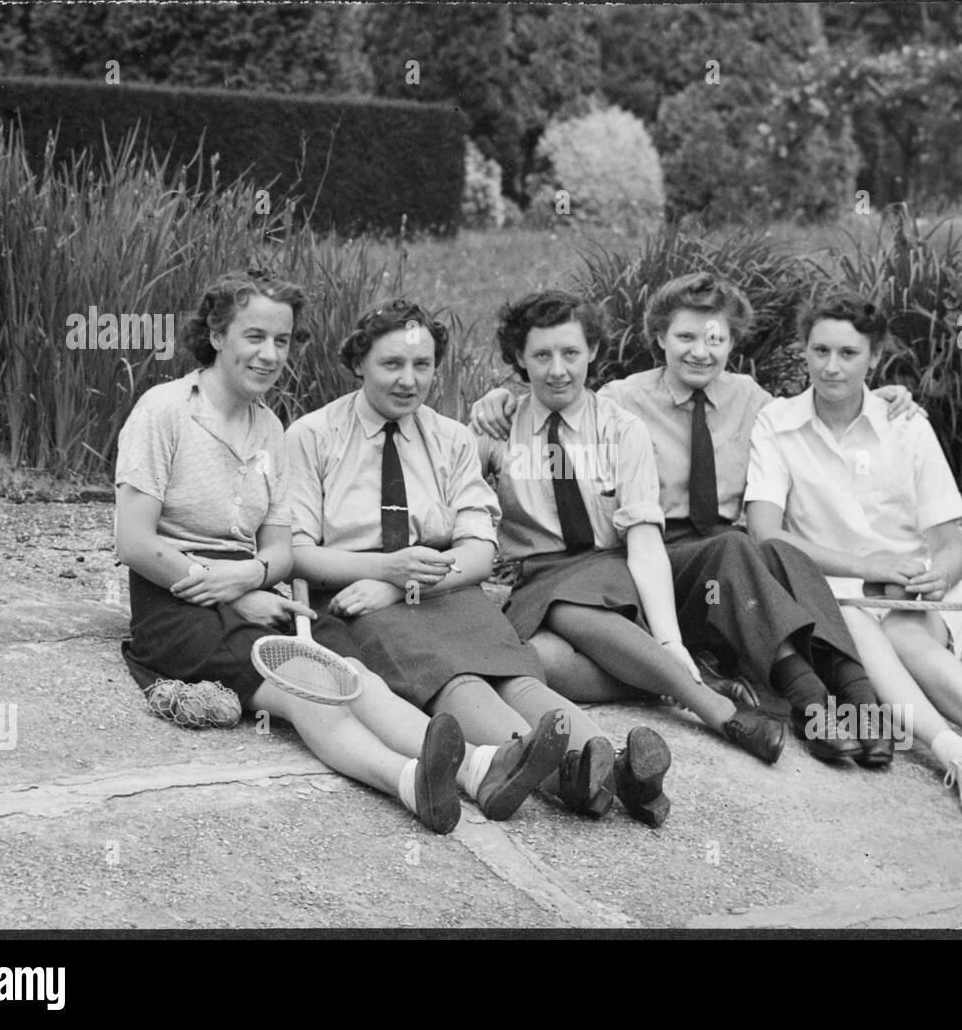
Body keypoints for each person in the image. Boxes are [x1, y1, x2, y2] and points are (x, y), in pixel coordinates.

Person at [115, 270, 560, 836]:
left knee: (353, 672)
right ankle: (408, 779)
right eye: (254, 337)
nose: (270, 354)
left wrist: (250, 579)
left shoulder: (269, 428)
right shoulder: (165, 411)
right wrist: (222, 583)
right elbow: (134, 541)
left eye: (282, 340)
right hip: (174, 598)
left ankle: (478, 771)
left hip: (249, 588)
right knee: (309, 687)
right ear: (217, 334)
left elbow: (280, 549)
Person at [470, 274, 920, 765]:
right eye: (685, 337)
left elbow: (815, 414)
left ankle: (847, 700)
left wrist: (881, 398)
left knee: (774, 550)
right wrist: (493, 401)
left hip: (684, 566)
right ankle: (719, 686)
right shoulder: (620, 402)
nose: (700, 352)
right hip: (630, 565)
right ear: (660, 338)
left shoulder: (753, 402)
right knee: (535, 655)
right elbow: (458, 481)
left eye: (715, 338)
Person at [284, 298, 671, 826]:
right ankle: (573, 779)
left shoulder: (450, 438)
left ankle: (618, 768)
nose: (408, 381)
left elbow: (479, 549)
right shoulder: (313, 436)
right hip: (357, 590)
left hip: (443, 583)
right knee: (455, 678)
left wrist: (412, 581)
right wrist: (384, 573)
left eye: (422, 366)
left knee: (515, 675)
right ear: (358, 364)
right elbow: (297, 553)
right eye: (391, 365)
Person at [743, 293, 962, 818]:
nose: (831, 366)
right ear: (804, 351)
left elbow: (949, 545)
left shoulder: (907, 425)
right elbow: (766, 534)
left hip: (908, 592)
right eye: (819, 350)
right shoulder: (776, 425)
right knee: (856, 619)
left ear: (874, 356)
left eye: (848, 353)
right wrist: (867, 568)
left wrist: (939, 577)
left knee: (901, 630)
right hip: (831, 590)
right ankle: (957, 755)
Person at [478, 289, 790, 785]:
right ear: (519, 357)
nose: (558, 369)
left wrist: (670, 639)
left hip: (607, 575)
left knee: (569, 604)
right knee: (530, 660)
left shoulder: (623, 429)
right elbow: (448, 496)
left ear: (593, 353)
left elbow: (644, 542)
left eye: (571, 353)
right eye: (542, 355)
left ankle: (713, 709)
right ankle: (662, 684)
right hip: (535, 579)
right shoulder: (496, 430)